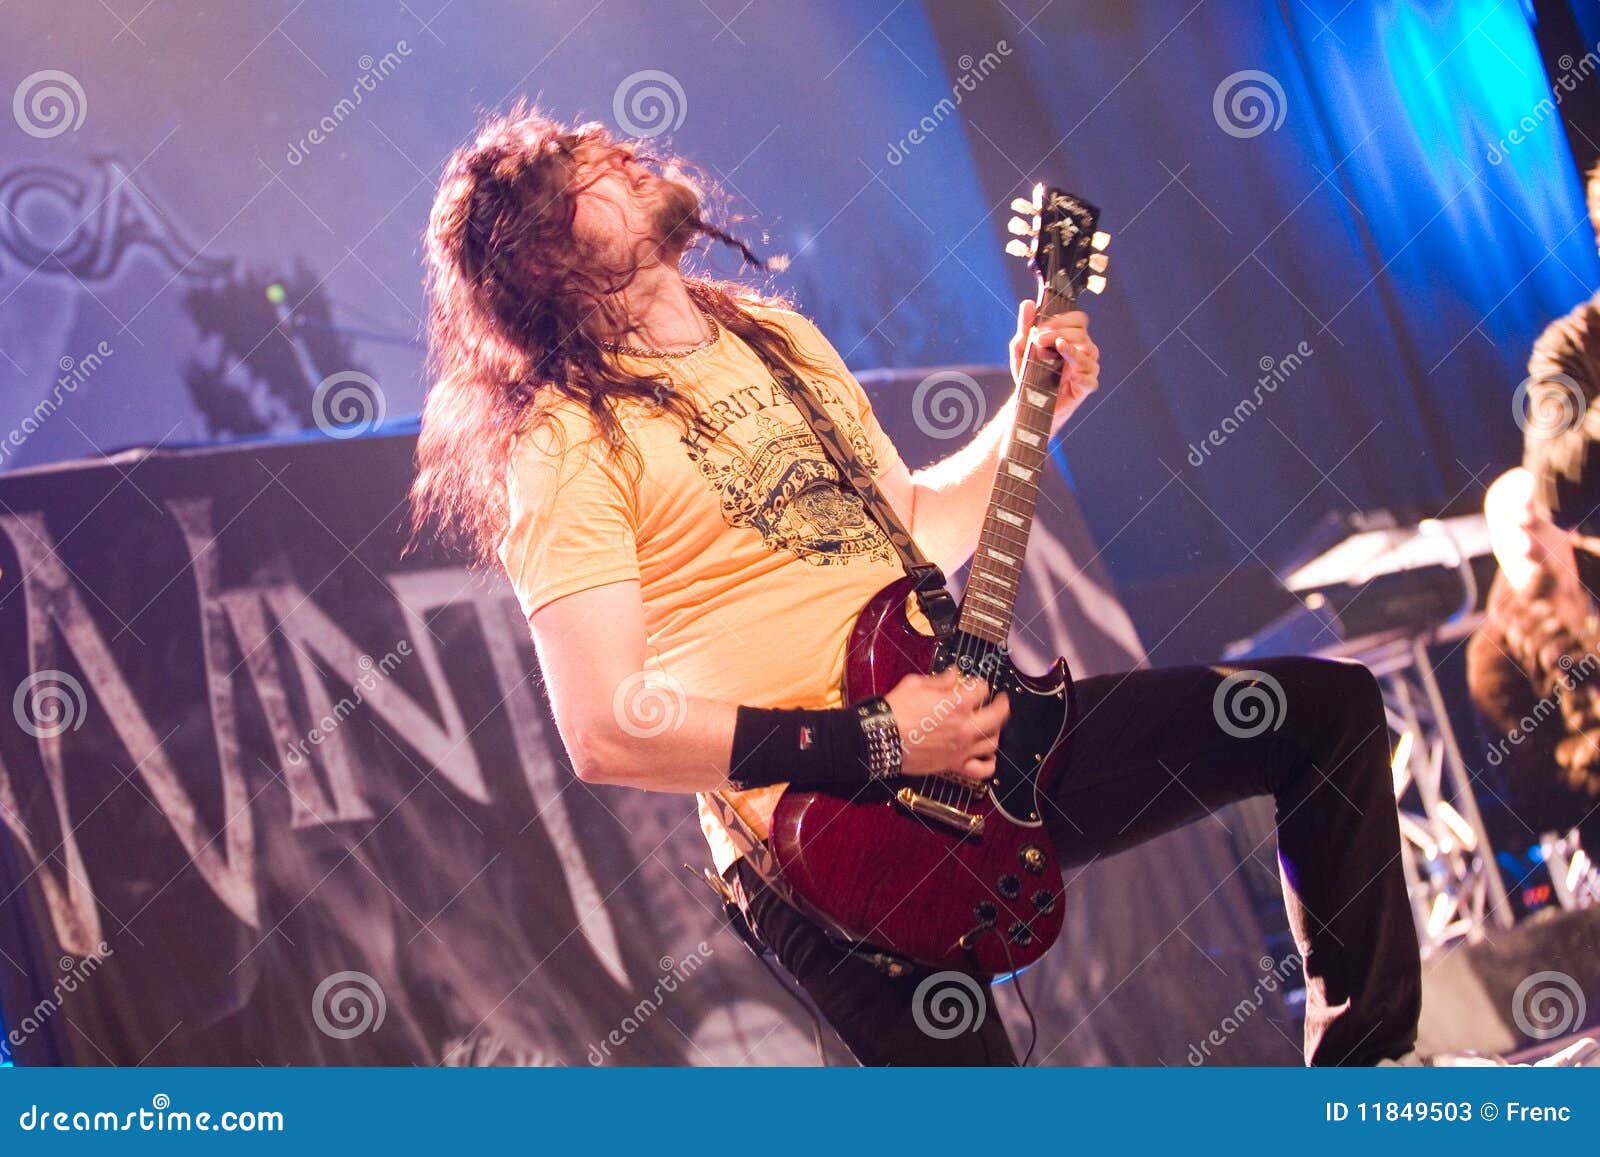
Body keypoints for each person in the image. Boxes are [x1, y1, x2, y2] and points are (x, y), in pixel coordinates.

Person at [410, 105, 1421, 1066]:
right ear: (544, 255)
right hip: (826, 841)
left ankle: (1361, 1091)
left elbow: (917, 524)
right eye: (589, 174)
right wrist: (887, 739)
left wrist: (1041, 406)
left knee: (1322, 716)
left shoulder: (775, 339)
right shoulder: (559, 440)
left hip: (973, 741)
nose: (625, 157)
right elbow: (603, 729)